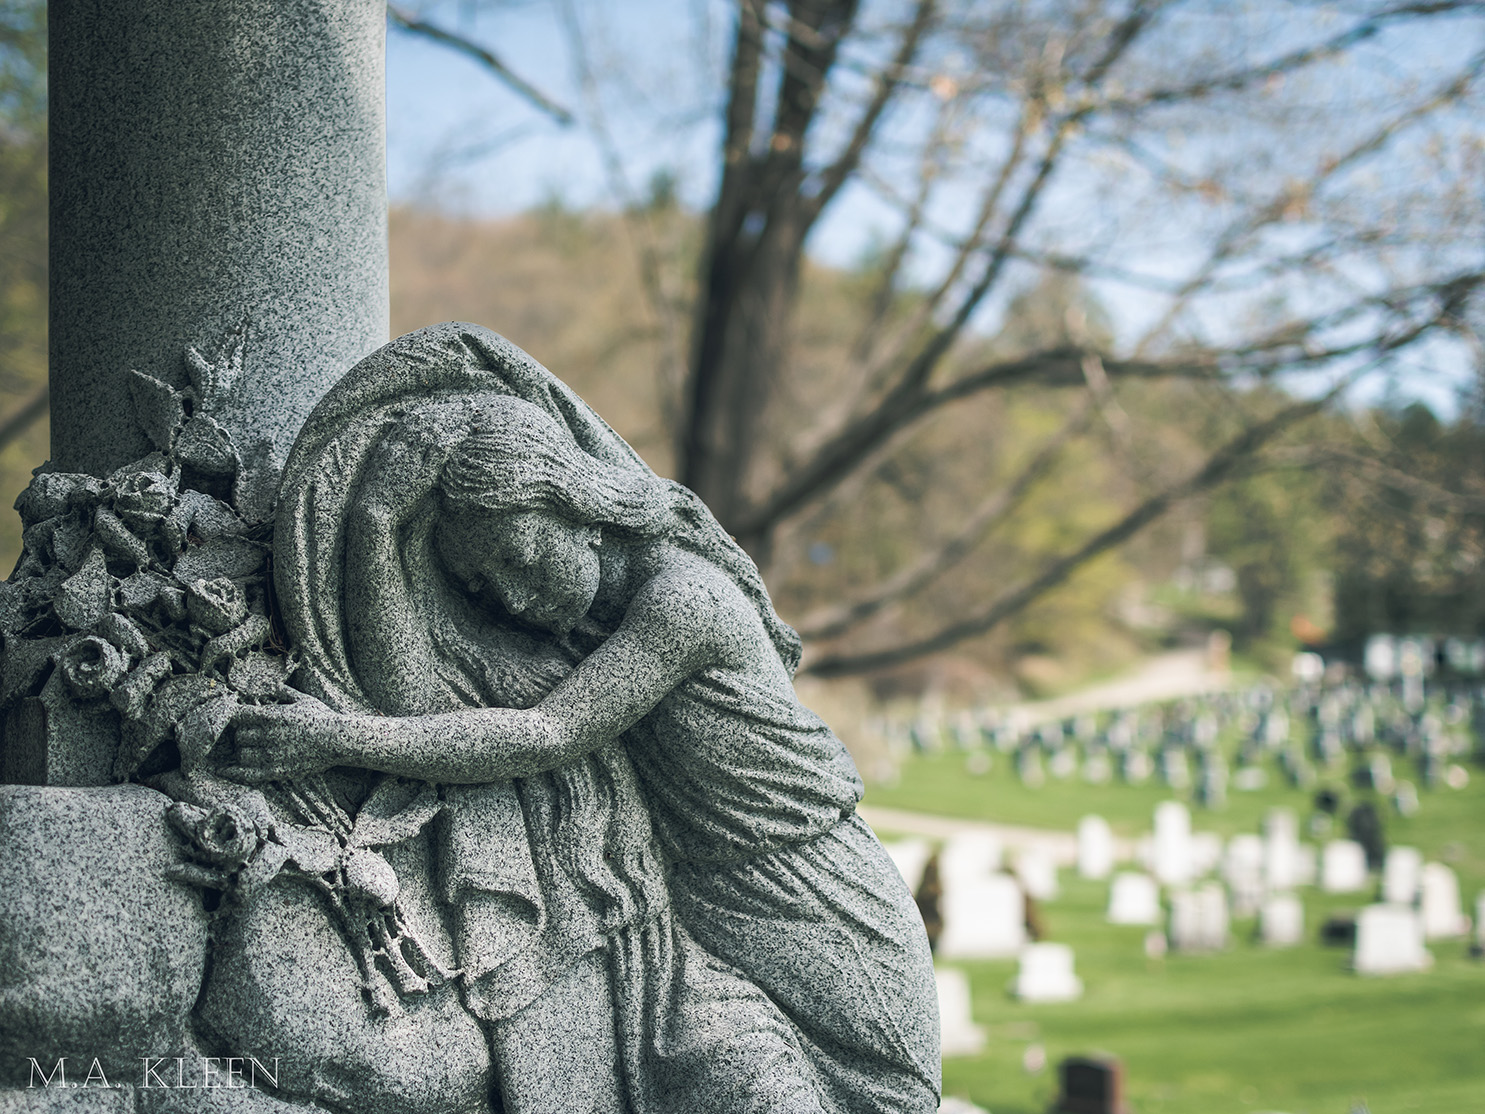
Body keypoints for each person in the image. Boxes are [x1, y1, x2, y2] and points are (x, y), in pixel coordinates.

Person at [235, 326, 940, 1114]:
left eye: (522, 558)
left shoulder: (683, 602)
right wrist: (373, 522)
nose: (512, 596)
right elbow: (416, 707)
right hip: (696, 916)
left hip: (812, 902)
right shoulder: (570, 633)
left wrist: (334, 736)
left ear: (580, 510)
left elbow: (542, 735)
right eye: (483, 584)